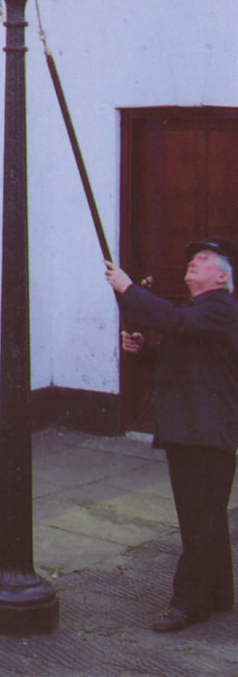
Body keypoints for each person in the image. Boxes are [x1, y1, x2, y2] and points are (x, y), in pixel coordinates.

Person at [105, 236, 238, 633]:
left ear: (222, 278)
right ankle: (217, 595)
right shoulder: (199, 312)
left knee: (200, 517)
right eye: (193, 257)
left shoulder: (221, 309)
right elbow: (181, 359)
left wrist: (128, 289)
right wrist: (145, 349)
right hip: (193, 428)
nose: (194, 262)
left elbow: (177, 324)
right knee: (205, 516)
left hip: (206, 430)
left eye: (205, 258)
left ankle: (187, 605)